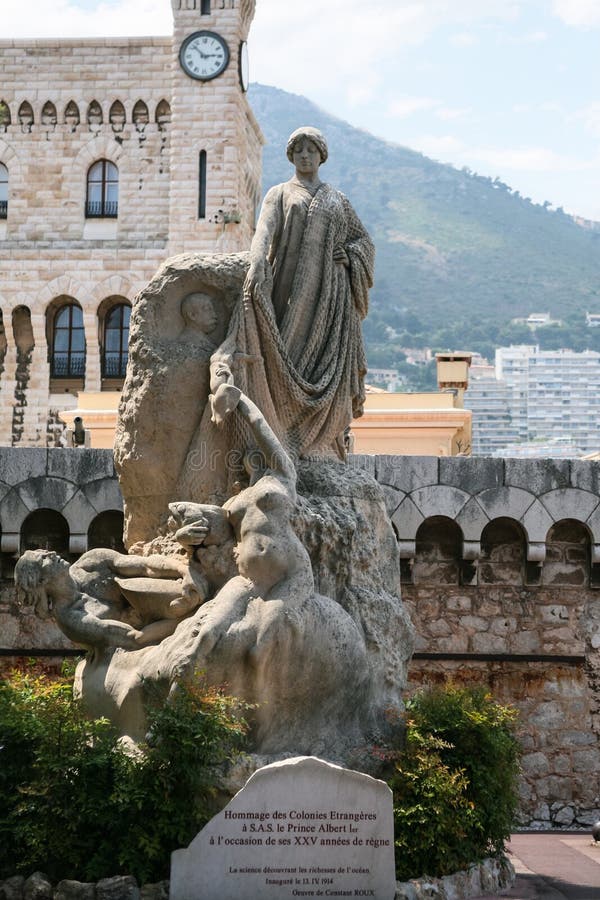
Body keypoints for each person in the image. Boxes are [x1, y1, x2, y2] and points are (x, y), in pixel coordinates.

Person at [211, 125, 375, 462]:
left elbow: (364, 242)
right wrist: (257, 260)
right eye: (299, 150)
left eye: (311, 150)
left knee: (323, 363)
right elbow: (264, 229)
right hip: (288, 294)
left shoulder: (337, 201)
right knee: (284, 354)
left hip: (329, 300)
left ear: (321, 155)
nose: (305, 156)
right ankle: (282, 434)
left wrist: (350, 255)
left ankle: (321, 441)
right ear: (290, 156)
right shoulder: (280, 193)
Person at [14, 548, 199, 651]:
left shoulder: (91, 562)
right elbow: (136, 638)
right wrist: (191, 619)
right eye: (43, 559)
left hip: (179, 591)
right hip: (168, 630)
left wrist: (184, 571)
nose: (52, 553)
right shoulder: (72, 619)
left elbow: (145, 565)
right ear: (41, 581)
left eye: (46, 551)